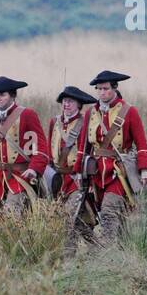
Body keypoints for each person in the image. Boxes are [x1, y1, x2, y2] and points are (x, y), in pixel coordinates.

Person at [85, 71, 147, 248]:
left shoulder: (129, 111)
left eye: (105, 88)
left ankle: (106, 253)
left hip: (119, 171)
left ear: (115, 88)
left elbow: (142, 145)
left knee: (109, 211)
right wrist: (80, 170)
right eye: (99, 89)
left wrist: (146, 170)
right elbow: (83, 147)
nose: (102, 92)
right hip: (96, 172)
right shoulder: (91, 113)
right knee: (112, 213)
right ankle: (125, 251)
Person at [0, 77, 50, 215]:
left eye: (2, 95)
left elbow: (41, 147)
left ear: (13, 96)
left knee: (11, 215)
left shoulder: (27, 114)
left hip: (20, 177)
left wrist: (34, 169)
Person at [45, 85, 97, 255]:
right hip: (57, 178)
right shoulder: (55, 121)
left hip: (76, 179)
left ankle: (68, 256)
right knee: (69, 218)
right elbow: (48, 147)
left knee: (68, 216)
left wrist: (83, 176)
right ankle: (98, 247)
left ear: (79, 104)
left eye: (70, 101)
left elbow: (87, 150)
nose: (66, 104)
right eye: (64, 101)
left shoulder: (84, 122)